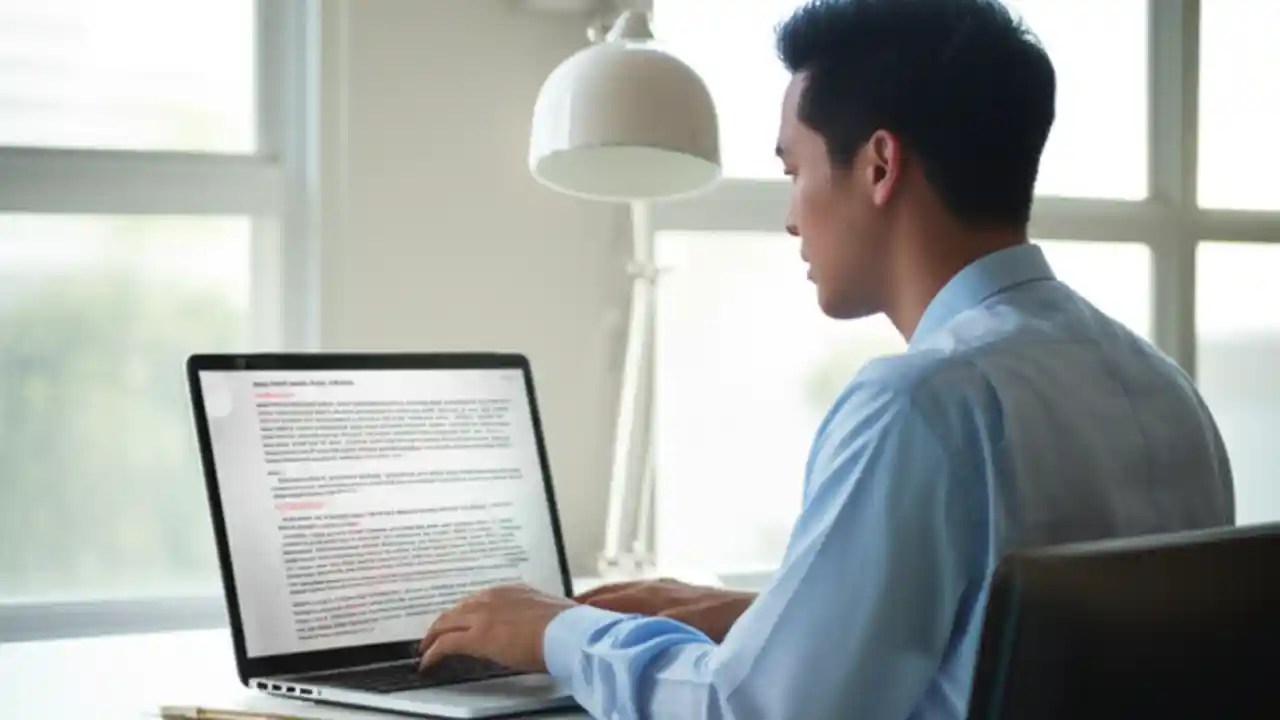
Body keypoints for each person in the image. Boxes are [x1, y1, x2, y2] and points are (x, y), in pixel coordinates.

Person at [415, 0, 1235, 716]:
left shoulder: (924, 402)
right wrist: (759, 616)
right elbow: (1009, 646)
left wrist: (555, 631)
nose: (790, 217)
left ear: (879, 165)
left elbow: (755, 713)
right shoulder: (1162, 389)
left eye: (793, 168)